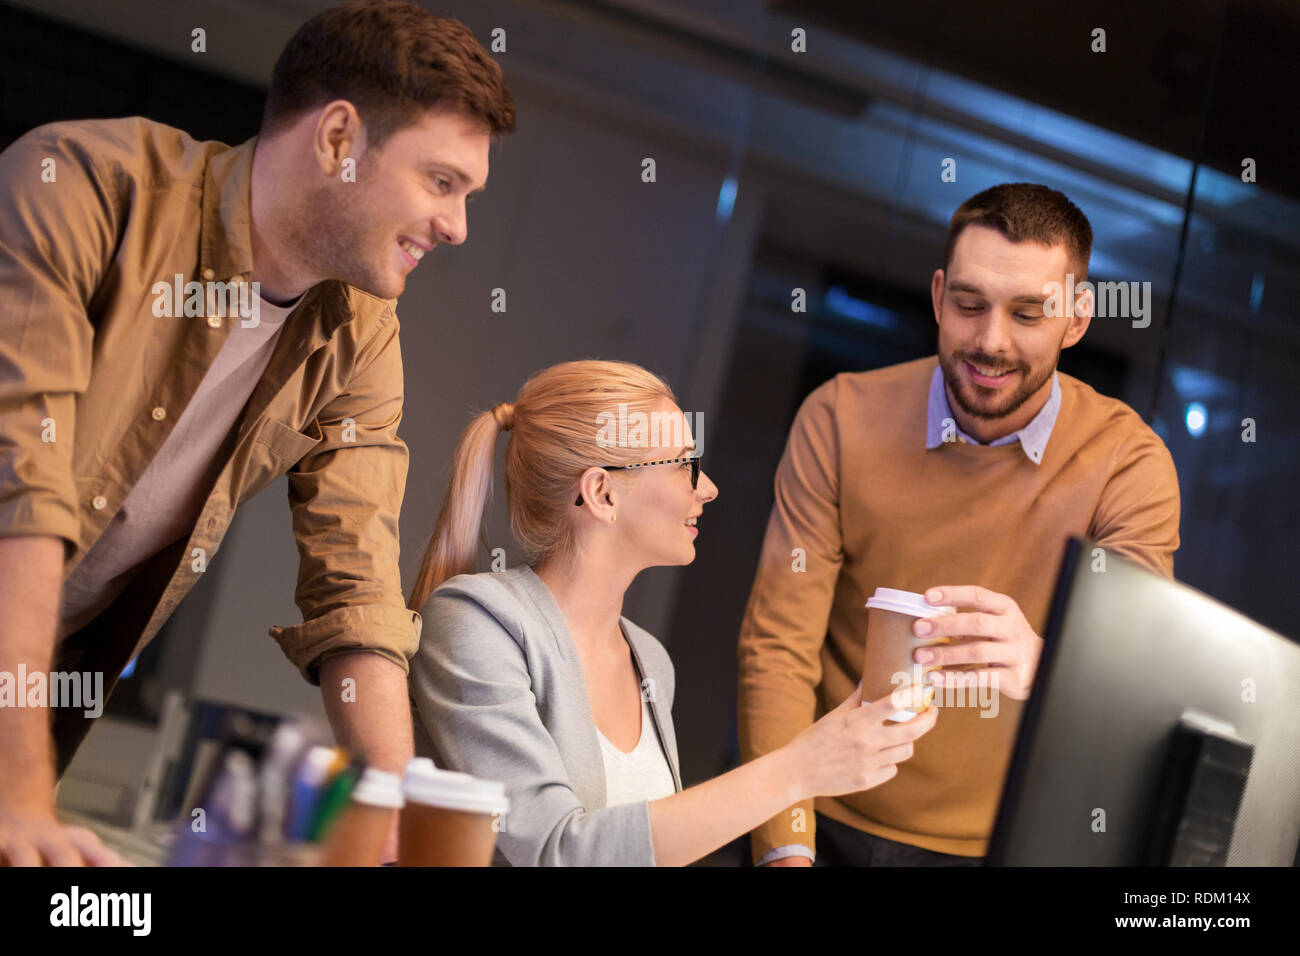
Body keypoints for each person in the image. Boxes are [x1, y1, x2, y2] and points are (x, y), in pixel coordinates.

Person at [0, 0, 513, 866]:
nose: (458, 227)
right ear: (339, 138)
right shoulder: (82, 184)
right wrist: (15, 796)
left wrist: (393, 826)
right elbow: (21, 486)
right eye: (441, 182)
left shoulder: (361, 334)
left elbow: (354, 587)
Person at [738, 183, 1181, 867]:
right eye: (970, 305)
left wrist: (1046, 662)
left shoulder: (1129, 464)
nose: (990, 341)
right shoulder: (839, 418)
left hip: (992, 849)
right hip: (815, 812)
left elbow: (1136, 684)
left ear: (1077, 318)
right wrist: (786, 851)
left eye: (1029, 313)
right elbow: (778, 650)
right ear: (940, 296)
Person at [407, 360, 937, 865]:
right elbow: (556, 853)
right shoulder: (475, 624)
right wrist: (801, 768)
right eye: (686, 464)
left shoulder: (649, 661)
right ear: (602, 493)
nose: (707, 488)